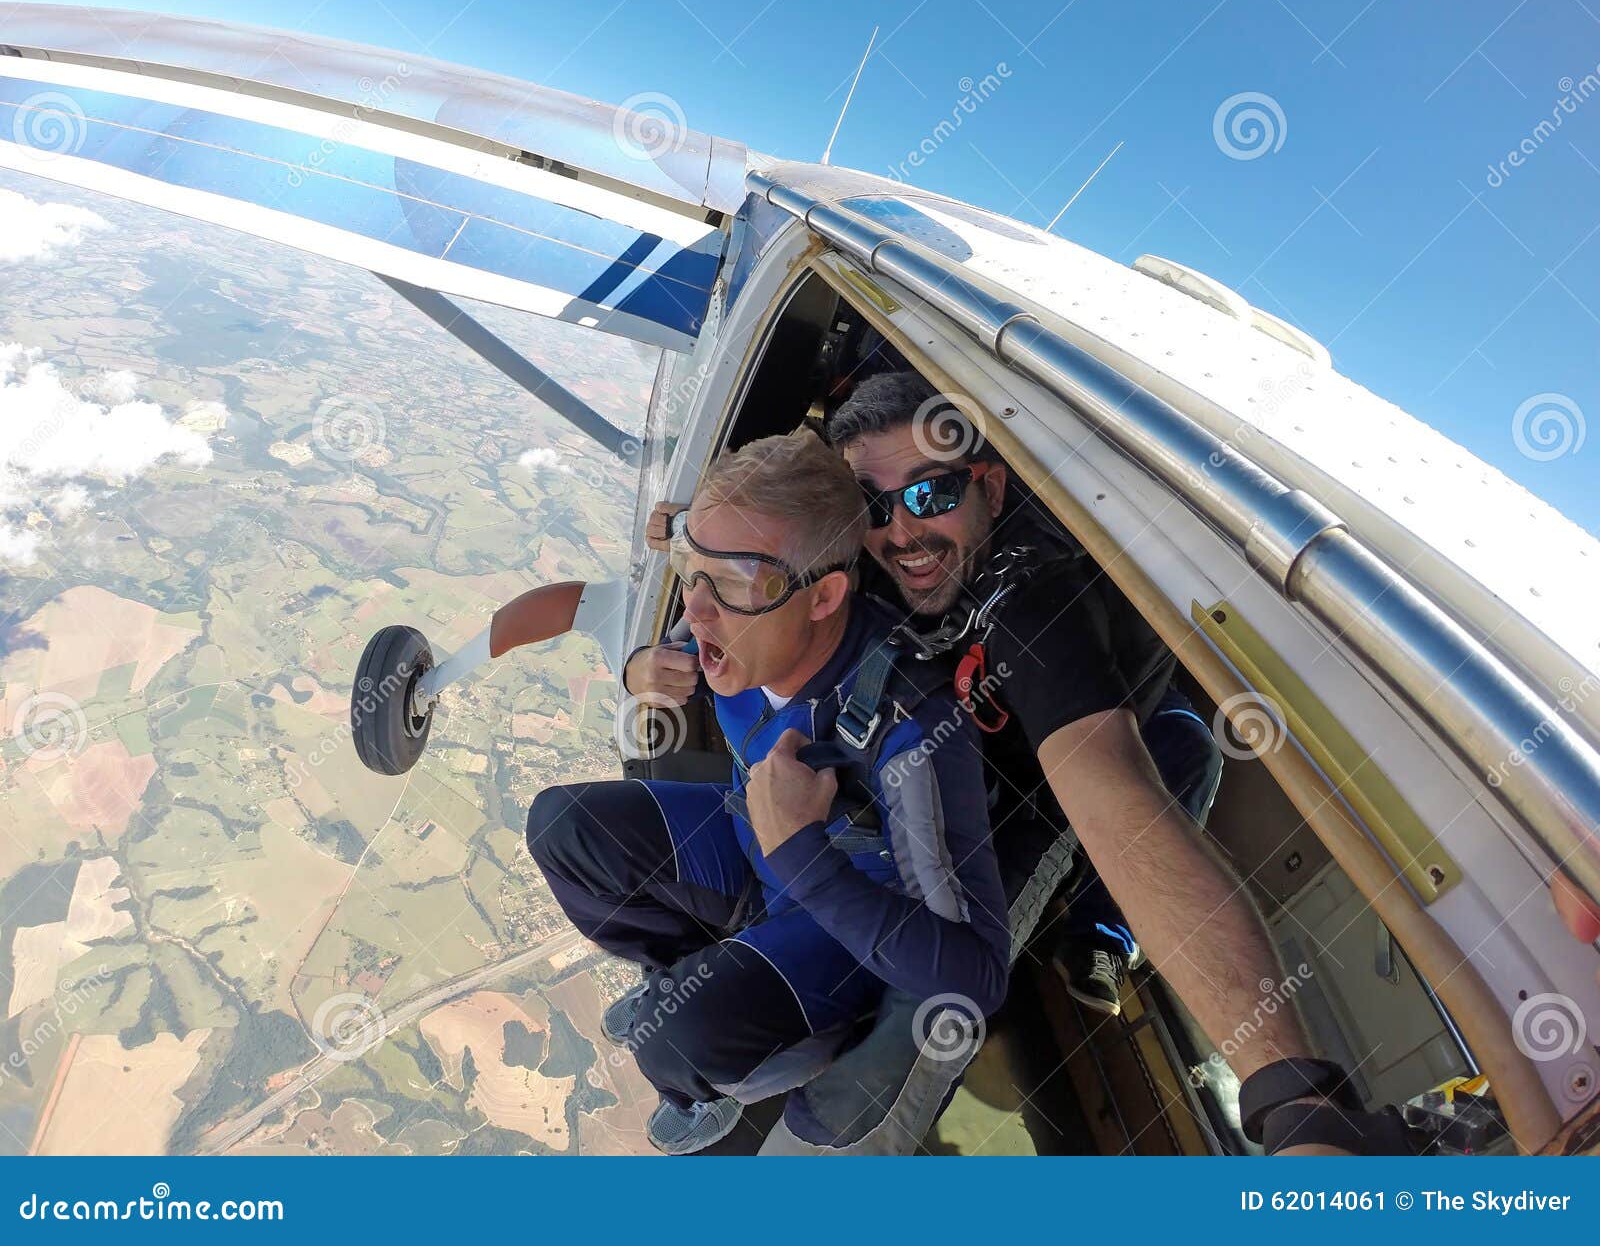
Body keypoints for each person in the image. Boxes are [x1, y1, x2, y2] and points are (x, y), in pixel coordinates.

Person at [812, 370, 1419, 1155]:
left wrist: (1291, 1096)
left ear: (991, 490)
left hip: (1070, 745)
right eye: (874, 505)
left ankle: (1094, 933)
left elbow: (1113, 794)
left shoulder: (1028, 597)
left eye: (932, 496)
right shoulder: (872, 545)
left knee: (1173, 760)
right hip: (1002, 739)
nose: (900, 532)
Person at [526, 428, 1009, 1155]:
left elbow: (974, 976)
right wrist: (639, 667)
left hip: (843, 914)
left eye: (737, 581)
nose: (698, 608)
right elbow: (707, 600)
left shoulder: (913, 731)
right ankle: (689, 973)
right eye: (693, 569)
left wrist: (804, 858)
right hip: (758, 845)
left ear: (825, 598)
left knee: (674, 1044)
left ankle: (707, 1088)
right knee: (562, 825)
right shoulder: (737, 620)